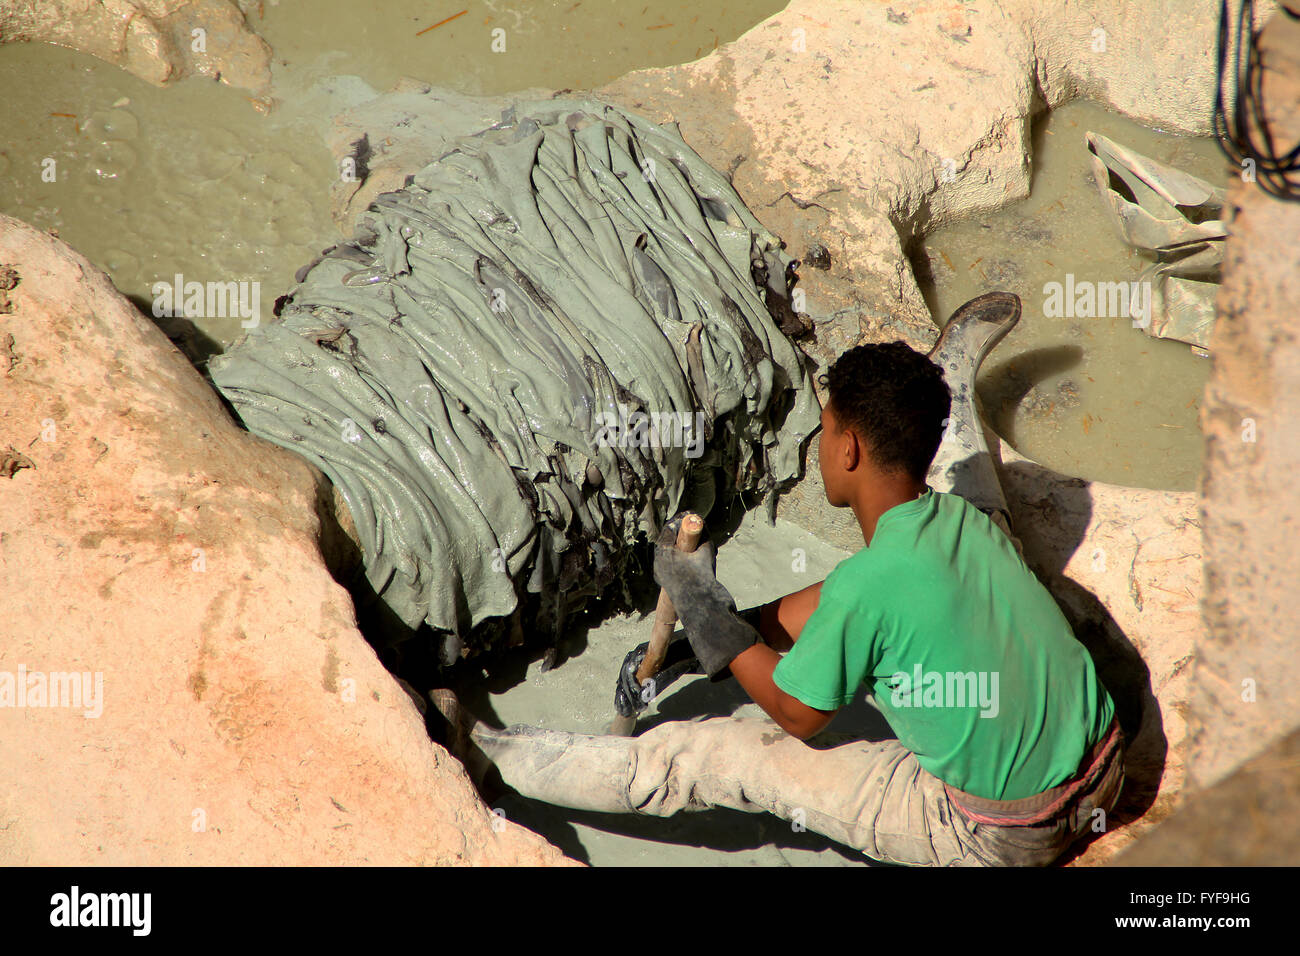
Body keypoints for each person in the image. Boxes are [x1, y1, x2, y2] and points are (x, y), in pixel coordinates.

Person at [433, 337, 1124, 867]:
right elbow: (840, 598)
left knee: (716, 759)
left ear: (849, 447)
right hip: (1106, 765)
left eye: (822, 429)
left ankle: (490, 752)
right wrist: (738, 631)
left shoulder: (868, 586)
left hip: (1003, 835)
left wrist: (706, 614)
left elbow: (799, 717)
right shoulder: (961, 526)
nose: (817, 443)